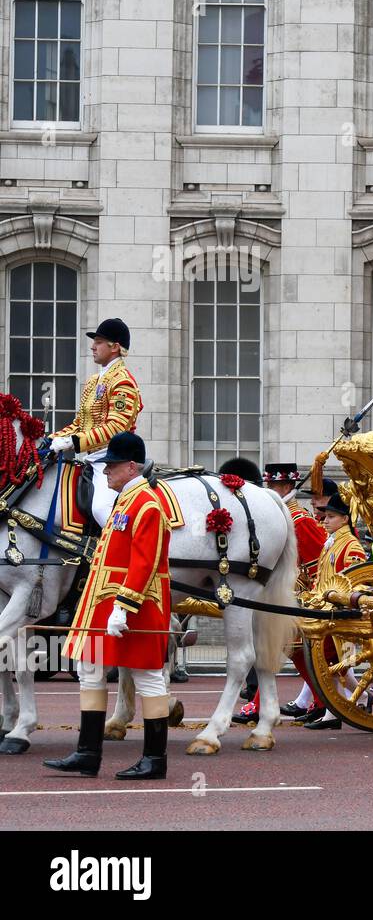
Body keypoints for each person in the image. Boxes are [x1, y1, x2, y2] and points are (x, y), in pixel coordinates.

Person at [44, 432, 172, 779]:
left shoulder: (147, 503)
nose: (105, 472)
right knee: (89, 668)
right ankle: (87, 753)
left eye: (112, 466)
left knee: (147, 677)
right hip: (104, 604)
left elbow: (144, 563)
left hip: (134, 607)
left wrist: (123, 607)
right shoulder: (125, 501)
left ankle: (155, 759)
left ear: (131, 467)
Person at [233, 463, 329, 724]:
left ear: (287, 488)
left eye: (274, 486)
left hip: (298, 597)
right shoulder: (279, 518)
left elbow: (317, 565)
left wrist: (310, 599)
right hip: (281, 592)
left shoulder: (300, 521)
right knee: (294, 654)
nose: (270, 491)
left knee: (271, 650)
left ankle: (259, 706)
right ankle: (321, 701)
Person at [46, 319, 143, 530]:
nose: (92, 346)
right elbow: (80, 423)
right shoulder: (93, 381)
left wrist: (73, 443)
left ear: (115, 347)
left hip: (113, 461)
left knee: (101, 508)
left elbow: (115, 429)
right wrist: (51, 439)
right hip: (91, 458)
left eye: (99, 341)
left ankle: (121, 553)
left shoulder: (123, 381)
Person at [303, 488, 372, 730]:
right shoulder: (332, 543)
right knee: (333, 664)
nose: (325, 520)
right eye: (326, 516)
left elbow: (355, 583)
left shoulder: (350, 545)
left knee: (333, 663)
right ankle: (357, 700)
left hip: (339, 616)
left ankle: (343, 708)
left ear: (344, 518)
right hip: (325, 611)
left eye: (331, 517)